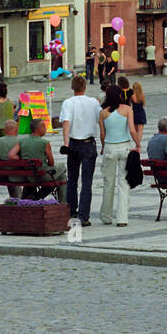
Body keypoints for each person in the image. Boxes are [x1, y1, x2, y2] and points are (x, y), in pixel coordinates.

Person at [59, 75, 101, 226]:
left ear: (72, 87)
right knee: (87, 181)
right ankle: (84, 216)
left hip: (74, 143)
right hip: (89, 143)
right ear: (85, 87)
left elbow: (66, 123)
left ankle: (71, 211)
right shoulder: (93, 102)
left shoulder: (68, 103)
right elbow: (100, 119)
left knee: (72, 179)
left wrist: (66, 143)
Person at [98, 83, 136, 226]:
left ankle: (106, 216)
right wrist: (137, 143)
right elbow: (132, 130)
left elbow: (102, 134)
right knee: (123, 183)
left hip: (109, 146)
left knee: (108, 182)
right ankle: (122, 218)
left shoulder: (103, 112)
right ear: (121, 95)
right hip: (124, 145)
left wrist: (103, 146)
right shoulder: (127, 109)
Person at [9, 117, 67, 201]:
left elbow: (11, 155)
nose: (46, 128)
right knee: (62, 171)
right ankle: (62, 203)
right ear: (39, 129)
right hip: (41, 176)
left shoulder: (21, 140)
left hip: (28, 175)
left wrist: (21, 158)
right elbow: (51, 162)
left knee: (60, 176)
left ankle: (34, 197)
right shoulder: (45, 143)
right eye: (44, 126)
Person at [0, 120, 25, 198]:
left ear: (4, 130)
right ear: (16, 129)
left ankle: (15, 199)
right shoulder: (22, 141)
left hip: (4, 173)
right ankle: (23, 199)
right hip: (20, 174)